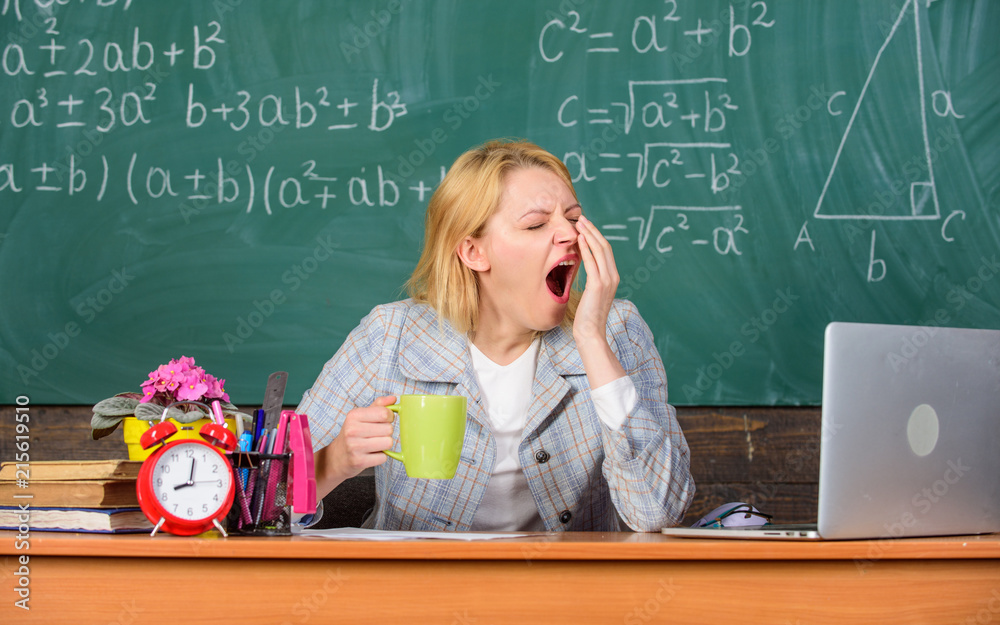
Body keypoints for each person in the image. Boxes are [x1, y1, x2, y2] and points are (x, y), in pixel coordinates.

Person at [296, 139, 694, 532]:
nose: (570, 235)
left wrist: (591, 338)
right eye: (536, 223)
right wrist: (330, 465)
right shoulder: (389, 336)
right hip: (415, 589)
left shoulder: (617, 331)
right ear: (473, 252)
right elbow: (261, 501)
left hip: (566, 591)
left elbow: (656, 512)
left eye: (573, 218)